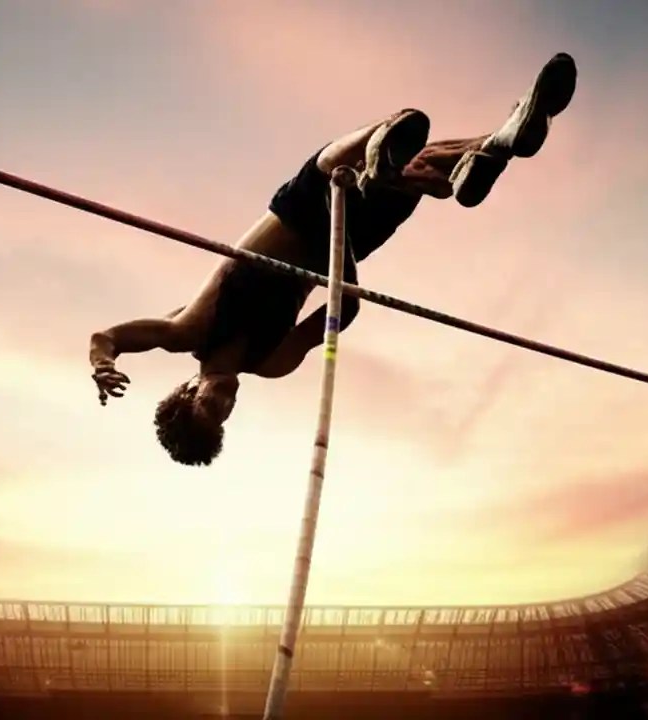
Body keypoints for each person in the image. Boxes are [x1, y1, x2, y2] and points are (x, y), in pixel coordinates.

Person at [89, 53, 578, 466]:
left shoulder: (188, 333)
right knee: (407, 165)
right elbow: (346, 309)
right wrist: (337, 252)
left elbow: (107, 337)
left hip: (300, 210)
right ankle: (478, 147)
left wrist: (102, 362)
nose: (227, 404)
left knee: (364, 163)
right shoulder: (274, 362)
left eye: (211, 406)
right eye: (226, 417)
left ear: (187, 394)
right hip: (343, 238)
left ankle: (459, 144)